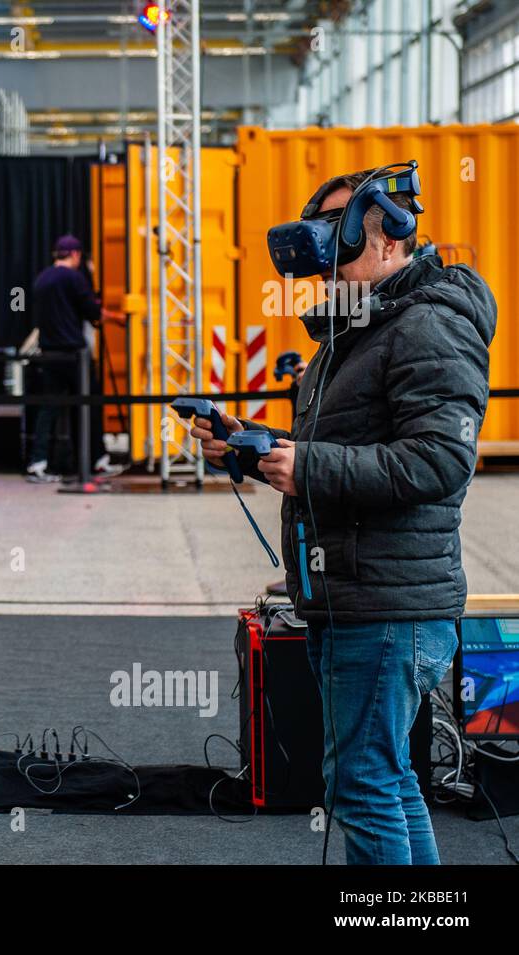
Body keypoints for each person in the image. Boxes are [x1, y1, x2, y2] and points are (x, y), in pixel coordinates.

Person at [193, 166, 494, 865]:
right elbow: (338, 451)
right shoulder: (360, 328)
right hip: (357, 596)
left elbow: (438, 461)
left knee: (362, 787)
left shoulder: (426, 326)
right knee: (385, 779)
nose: (323, 252)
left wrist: (309, 466)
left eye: (338, 231)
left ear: (388, 232)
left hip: (387, 605)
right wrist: (244, 446)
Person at [25, 235, 114, 483]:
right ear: (75, 254)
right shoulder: (74, 278)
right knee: (89, 405)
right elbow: (93, 312)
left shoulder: (41, 279)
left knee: (49, 409)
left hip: (49, 353)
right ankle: (96, 460)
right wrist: (119, 318)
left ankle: (38, 463)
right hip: (74, 355)